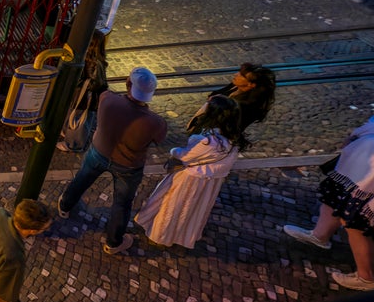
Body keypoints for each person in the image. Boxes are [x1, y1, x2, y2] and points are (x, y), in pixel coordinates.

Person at [57, 66, 167, 254]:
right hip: (129, 165)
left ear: (128, 83)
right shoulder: (156, 122)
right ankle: (114, 242)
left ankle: (65, 205)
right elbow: (159, 139)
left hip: (99, 152)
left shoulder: (108, 99)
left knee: (82, 179)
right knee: (122, 203)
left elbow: (105, 95)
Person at [283, 112, 374, 291]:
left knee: (355, 222)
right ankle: (320, 235)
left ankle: (366, 277)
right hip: (360, 168)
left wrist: (355, 137)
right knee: (335, 198)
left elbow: (373, 128)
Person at [135, 95, 247, 249]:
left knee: (173, 207)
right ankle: (181, 234)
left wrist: (174, 151)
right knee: (193, 210)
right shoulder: (233, 140)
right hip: (209, 182)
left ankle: (161, 236)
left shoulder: (207, 140)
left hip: (190, 179)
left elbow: (185, 155)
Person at [57, 31, 110, 153]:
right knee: (77, 117)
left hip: (85, 98)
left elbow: (94, 83)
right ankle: (68, 133)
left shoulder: (92, 63)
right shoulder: (98, 60)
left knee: (79, 120)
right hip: (86, 98)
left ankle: (73, 144)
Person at [187, 63, 276, 134]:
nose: (236, 74)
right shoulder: (236, 86)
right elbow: (217, 93)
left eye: (242, 75)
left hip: (212, 134)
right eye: (239, 72)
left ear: (251, 84)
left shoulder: (247, 107)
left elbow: (225, 126)